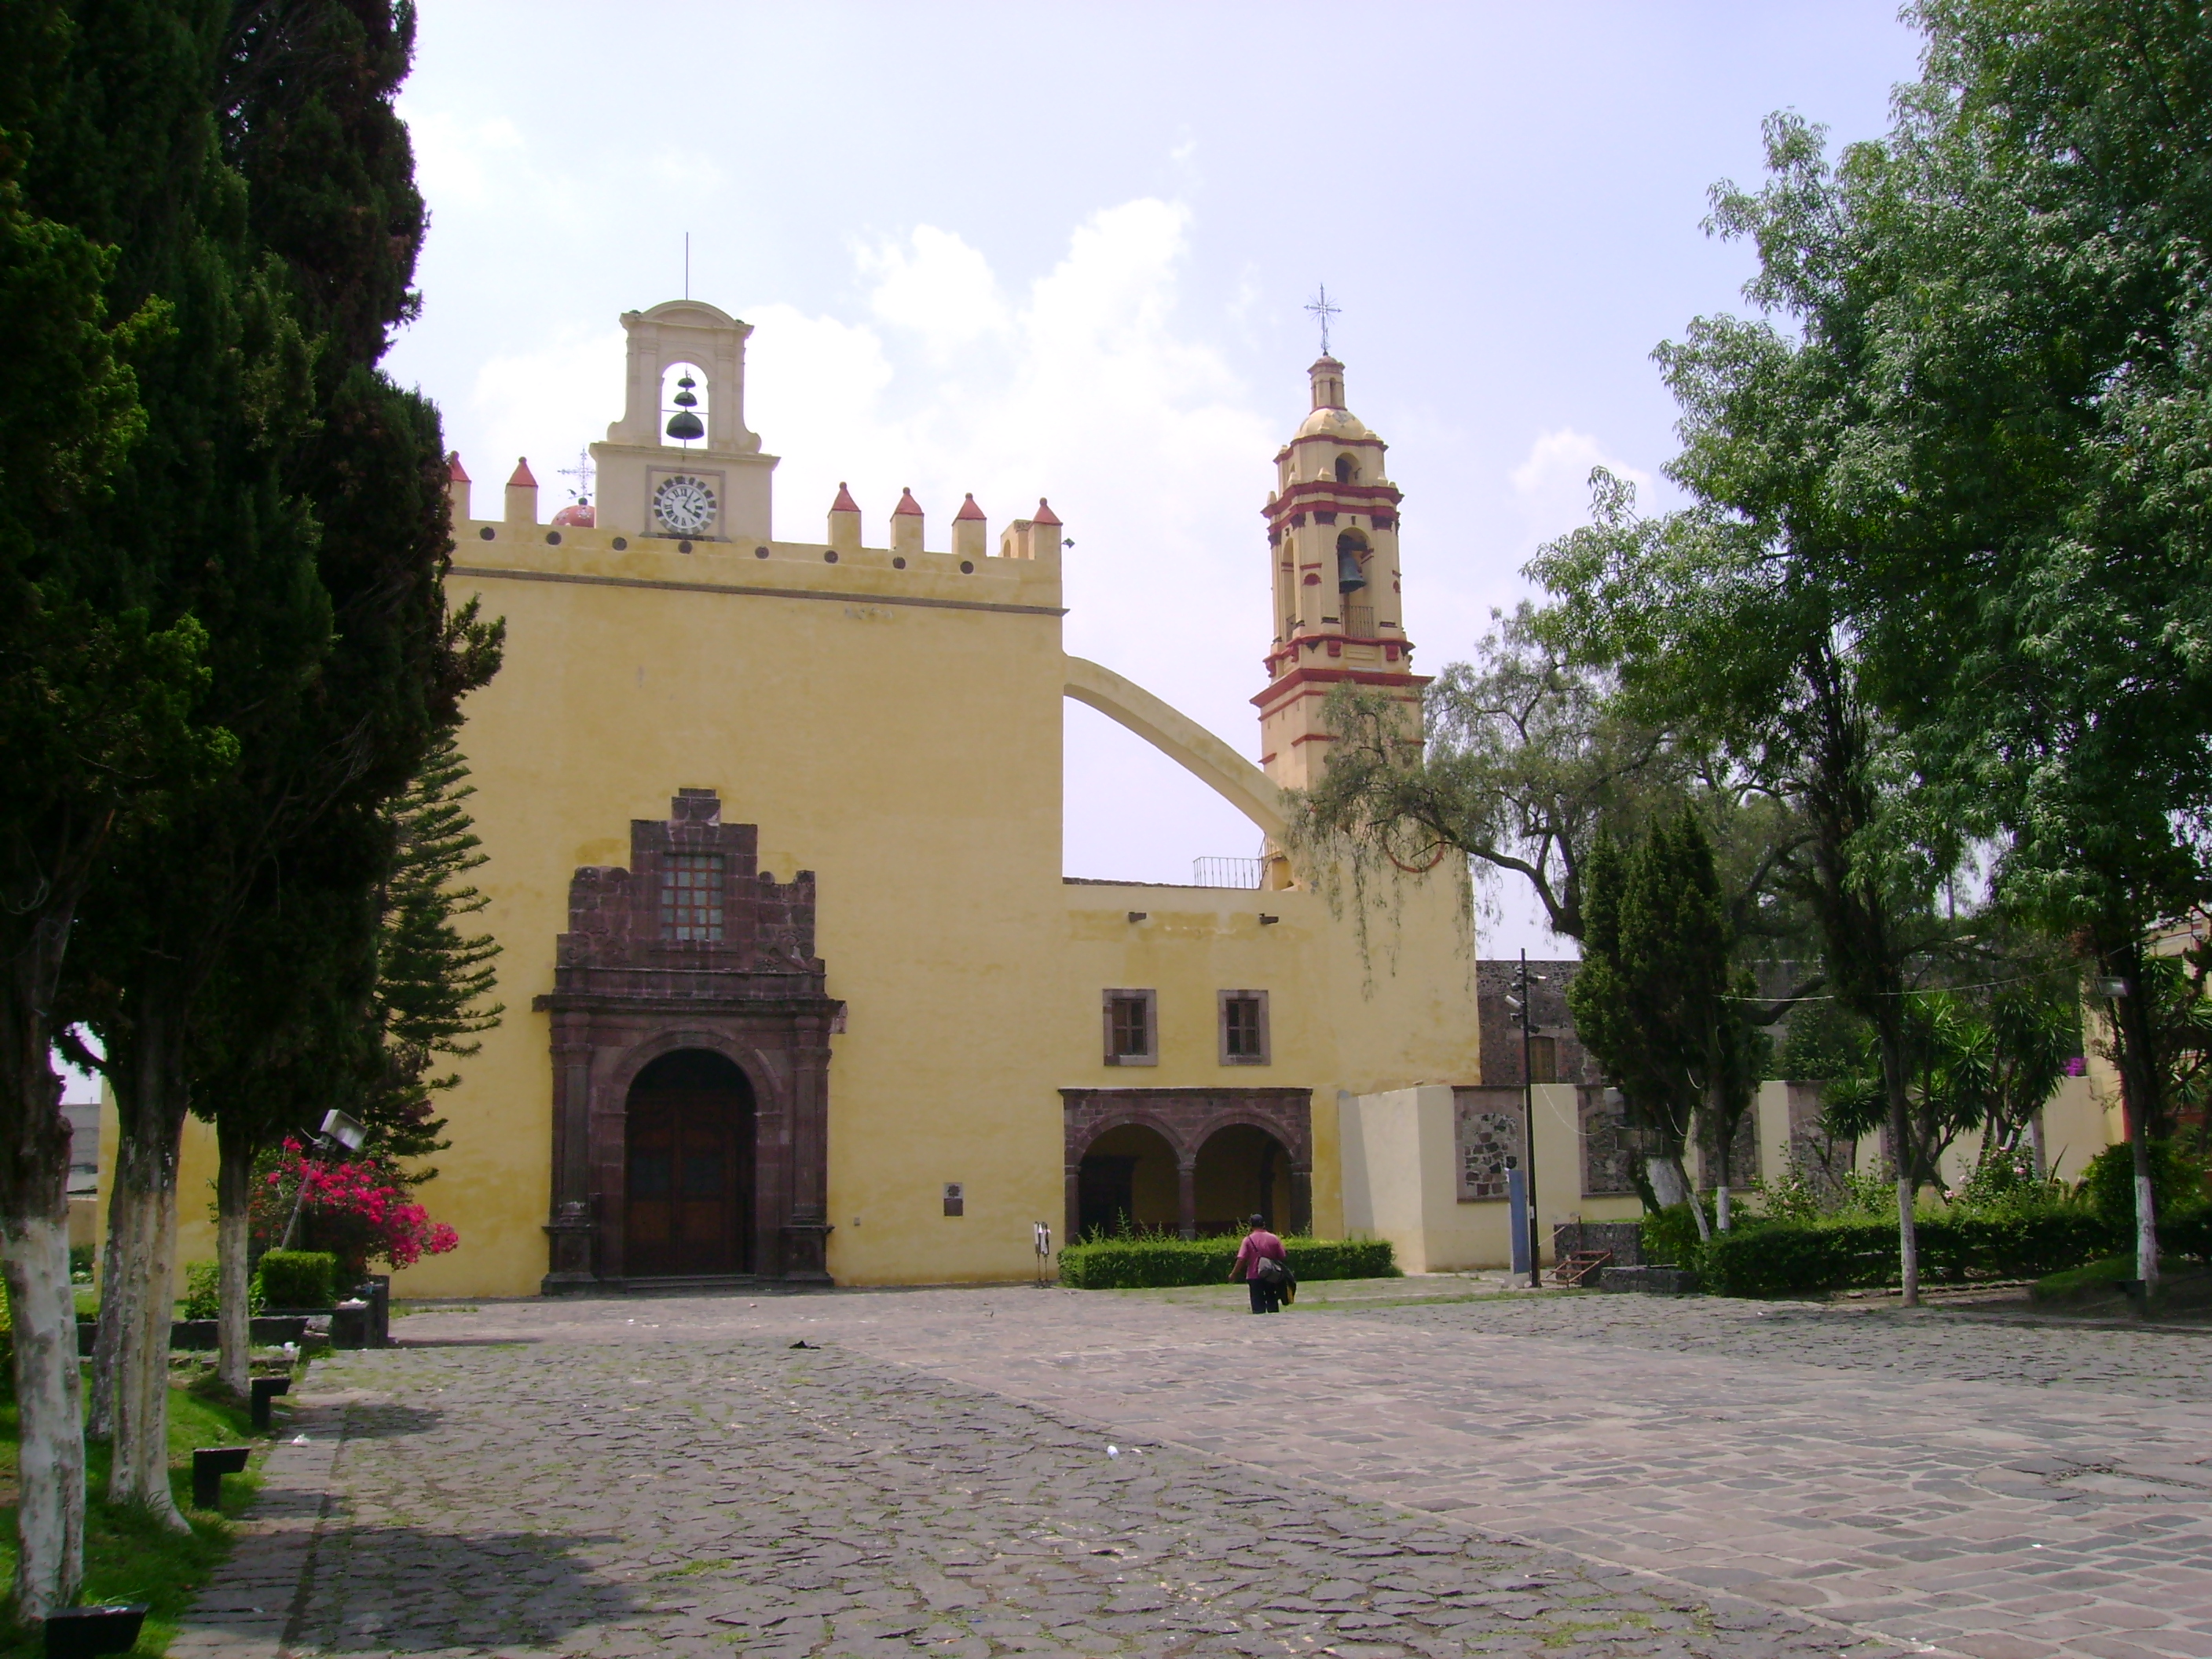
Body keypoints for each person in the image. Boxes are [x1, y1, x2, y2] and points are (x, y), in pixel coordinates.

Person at [1229, 1213, 1287, 1314]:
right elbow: (1282, 1256)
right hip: (1271, 1275)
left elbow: (1241, 1259)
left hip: (1254, 1276)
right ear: (1264, 1224)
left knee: (1257, 1305)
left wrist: (1233, 1274)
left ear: (1251, 1226)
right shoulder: (1274, 1238)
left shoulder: (1248, 1240)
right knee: (1272, 1301)